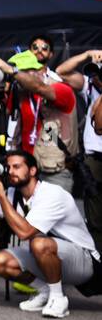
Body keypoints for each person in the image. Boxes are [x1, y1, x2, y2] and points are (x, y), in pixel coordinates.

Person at [0, 151, 100, 320]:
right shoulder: (13, 194)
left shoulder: (52, 193)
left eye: (17, 167)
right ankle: (44, 290)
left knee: (39, 243)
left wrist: (2, 197)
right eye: (8, 167)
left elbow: (25, 232)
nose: (11, 171)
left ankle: (58, 298)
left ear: (32, 171)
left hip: (82, 261)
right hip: (48, 255)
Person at [0, 49, 78, 192]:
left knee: (52, 211)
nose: (17, 77)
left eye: (23, 72)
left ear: (40, 70)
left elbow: (39, 88)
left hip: (54, 169)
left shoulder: (61, 88)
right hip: (27, 167)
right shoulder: (20, 93)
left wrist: (11, 70)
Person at [57, 48, 102, 251]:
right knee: (95, 211)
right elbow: (61, 72)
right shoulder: (91, 88)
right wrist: (87, 55)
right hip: (94, 157)